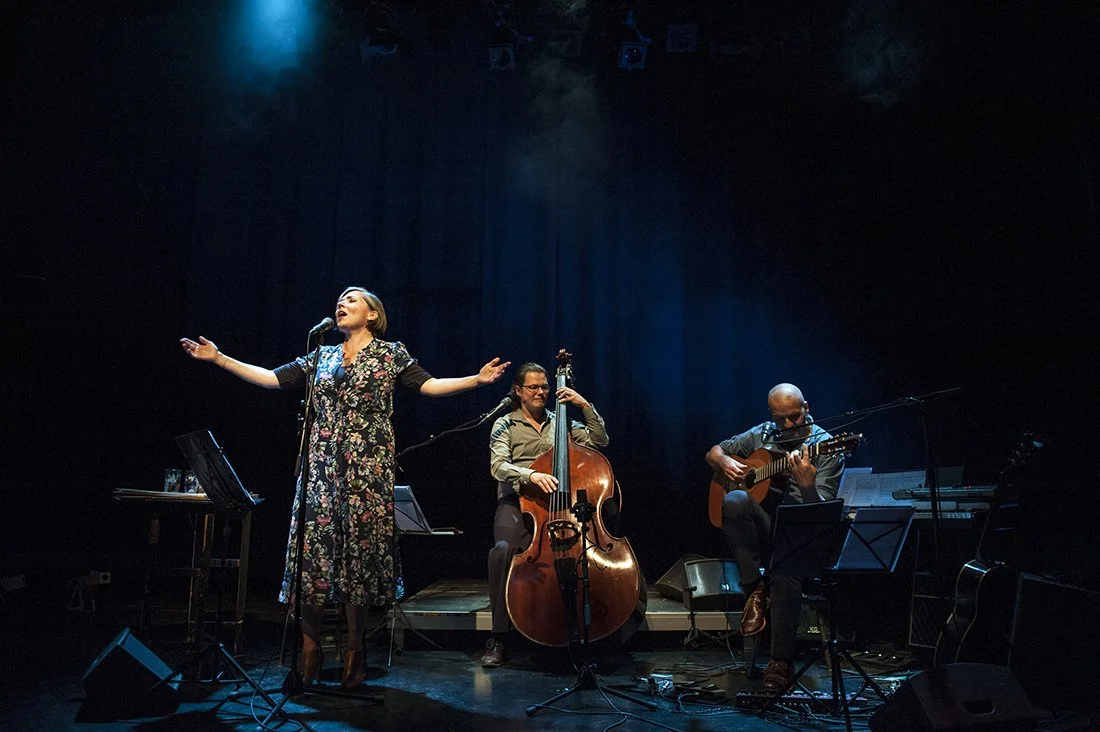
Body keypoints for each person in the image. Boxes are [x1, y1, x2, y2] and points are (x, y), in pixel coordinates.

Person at [180, 287, 509, 689]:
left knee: (359, 559)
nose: (342, 304)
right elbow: (271, 379)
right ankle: (309, 648)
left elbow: (429, 385)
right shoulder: (321, 355)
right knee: (313, 558)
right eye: (339, 300)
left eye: (352, 300)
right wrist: (219, 359)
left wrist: (477, 380)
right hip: (319, 469)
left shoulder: (390, 354)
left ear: (372, 314)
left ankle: (355, 649)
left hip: (366, 471)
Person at [704, 383, 845, 692]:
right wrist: (725, 462)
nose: (788, 426)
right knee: (734, 500)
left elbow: (821, 515)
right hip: (768, 531)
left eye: (794, 417)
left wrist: (807, 485)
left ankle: (779, 662)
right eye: (780, 419)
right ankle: (755, 588)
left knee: (785, 572)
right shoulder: (765, 433)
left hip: (802, 538)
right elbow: (714, 451)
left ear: (806, 408)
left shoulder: (826, 446)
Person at [483, 362, 612, 668]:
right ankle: (498, 636)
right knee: (502, 551)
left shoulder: (562, 422)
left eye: (545, 387)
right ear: (518, 391)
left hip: (561, 504)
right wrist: (530, 475)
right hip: (519, 503)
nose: (541, 392)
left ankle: (579, 622)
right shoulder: (505, 424)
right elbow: (497, 466)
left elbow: (600, 441)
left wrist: (583, 405)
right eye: (534, 387)